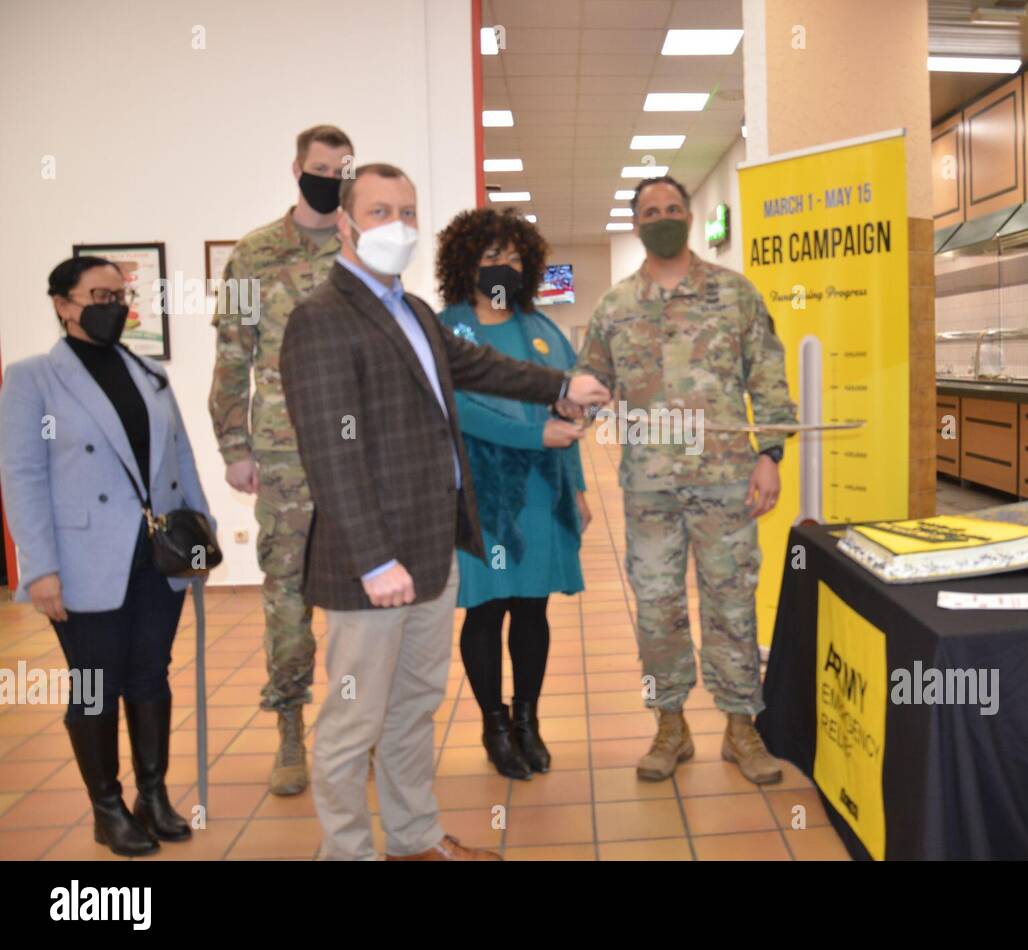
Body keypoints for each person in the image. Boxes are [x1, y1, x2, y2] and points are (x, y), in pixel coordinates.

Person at [279, 163, 609, 861]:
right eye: (377, 212)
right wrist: (372, 559)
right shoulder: (321, 319)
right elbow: (329, 456)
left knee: (411, 711)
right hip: (371, 565)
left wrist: (563, 383)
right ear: (343, 224)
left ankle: (413, 840)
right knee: (352, 722)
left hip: (432, 550)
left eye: (406, 211)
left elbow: (483, 368)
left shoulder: (414, 312)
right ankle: (347, 853)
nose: (394, 224)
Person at [576, 176, 798, 786]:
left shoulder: (735, 294)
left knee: (731, 604)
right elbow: (589, 383)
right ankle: (668, 724)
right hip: (650, 485)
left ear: (689, 217)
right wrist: (567, 415)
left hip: (727, 476)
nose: (664, 217)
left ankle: (741, 726)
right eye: (652, 211)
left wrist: (770, 454)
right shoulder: (615, 307)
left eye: (674, 208)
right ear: (637, 223)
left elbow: (770, 377)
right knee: (655, 609)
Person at [0, 257, 214, 856]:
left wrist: (202, 536)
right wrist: (38, 566)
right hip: (82, 560)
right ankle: (107, 807)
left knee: (150, 675)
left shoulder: (151, 374)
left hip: (156, 557)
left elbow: (182, 461)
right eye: (98, 295)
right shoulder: (32, 379)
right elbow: (21, 475)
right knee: (94, 682)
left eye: (121, 295)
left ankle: (152, 795)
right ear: (63, 305)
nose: (114, 306)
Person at [208, 124, 353, 796]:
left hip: (359, 452)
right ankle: (290, 731)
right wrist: (234, 447)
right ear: (297, 169)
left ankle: (359, 728)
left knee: (363, 597)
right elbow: (233, 355)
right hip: (285, 454)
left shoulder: (366, 246)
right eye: (320, 167)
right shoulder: (252, 255)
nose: (329, 177)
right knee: (287, 597)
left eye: (340, 168)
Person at [435, 208, 588, 780]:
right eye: (491, 256)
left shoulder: (542, 330)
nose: (504, 267)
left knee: (532, 607)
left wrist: (576, 487)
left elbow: (568, 412)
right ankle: (494, 725)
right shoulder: (446, 327)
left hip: (540, 490)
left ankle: (528, 720)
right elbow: (460, 411)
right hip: (479, 494)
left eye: (514, 257)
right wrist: (533, 433)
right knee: (485, 608)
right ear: (466, 262)